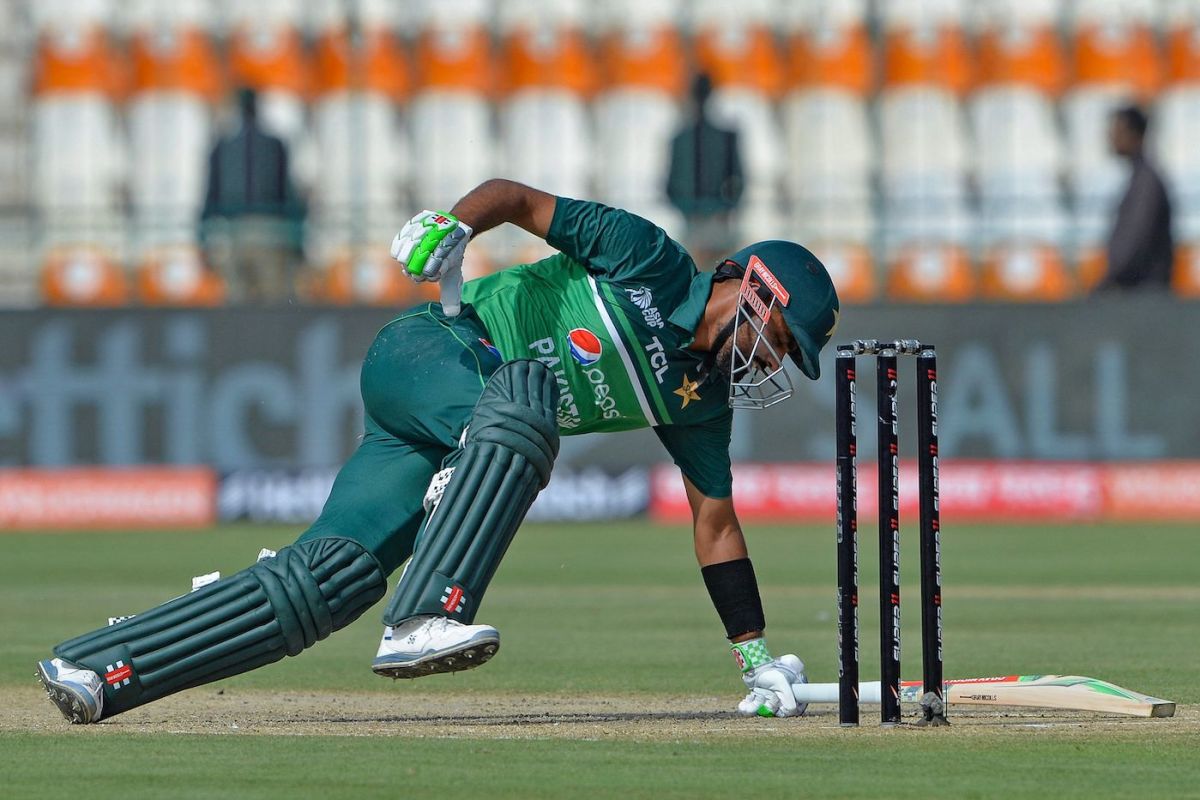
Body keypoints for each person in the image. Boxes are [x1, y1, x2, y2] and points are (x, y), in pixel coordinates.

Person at [36, 179, 841, 725]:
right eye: (779, 339)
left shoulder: (699, 400)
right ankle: (425, 615)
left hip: (444, 429)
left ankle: (103, 666)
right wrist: (454, 226)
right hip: (431, 352)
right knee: (526, 404)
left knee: (329, 580)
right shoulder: (649, 260)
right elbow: (515, 198)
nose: (772, 363)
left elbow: (716, 523)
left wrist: (757, 659)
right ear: (754, 288)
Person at [201, 87, 306, 302]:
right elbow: (288, 192)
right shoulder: (272, 144)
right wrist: (298, 241)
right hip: (266, 230)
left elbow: (210, 196)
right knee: (270, 303)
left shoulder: (226, 145)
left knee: (241, 305)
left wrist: (203, 238)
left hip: (238, 230)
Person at [666, 73, 745, 267]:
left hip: (709, 223)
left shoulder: (683, 137)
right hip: (702, 223)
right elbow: (740, 180)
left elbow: (669, 187)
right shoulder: (684, 138)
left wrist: (719, 211)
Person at [1096, 104, 1174, 291]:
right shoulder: (1141, 178)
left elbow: (1135, 240)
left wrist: (1109, 282)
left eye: (1118, 130)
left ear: (1134, 134)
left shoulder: (1146, 183)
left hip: (1143, 296)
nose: (1111, 137)